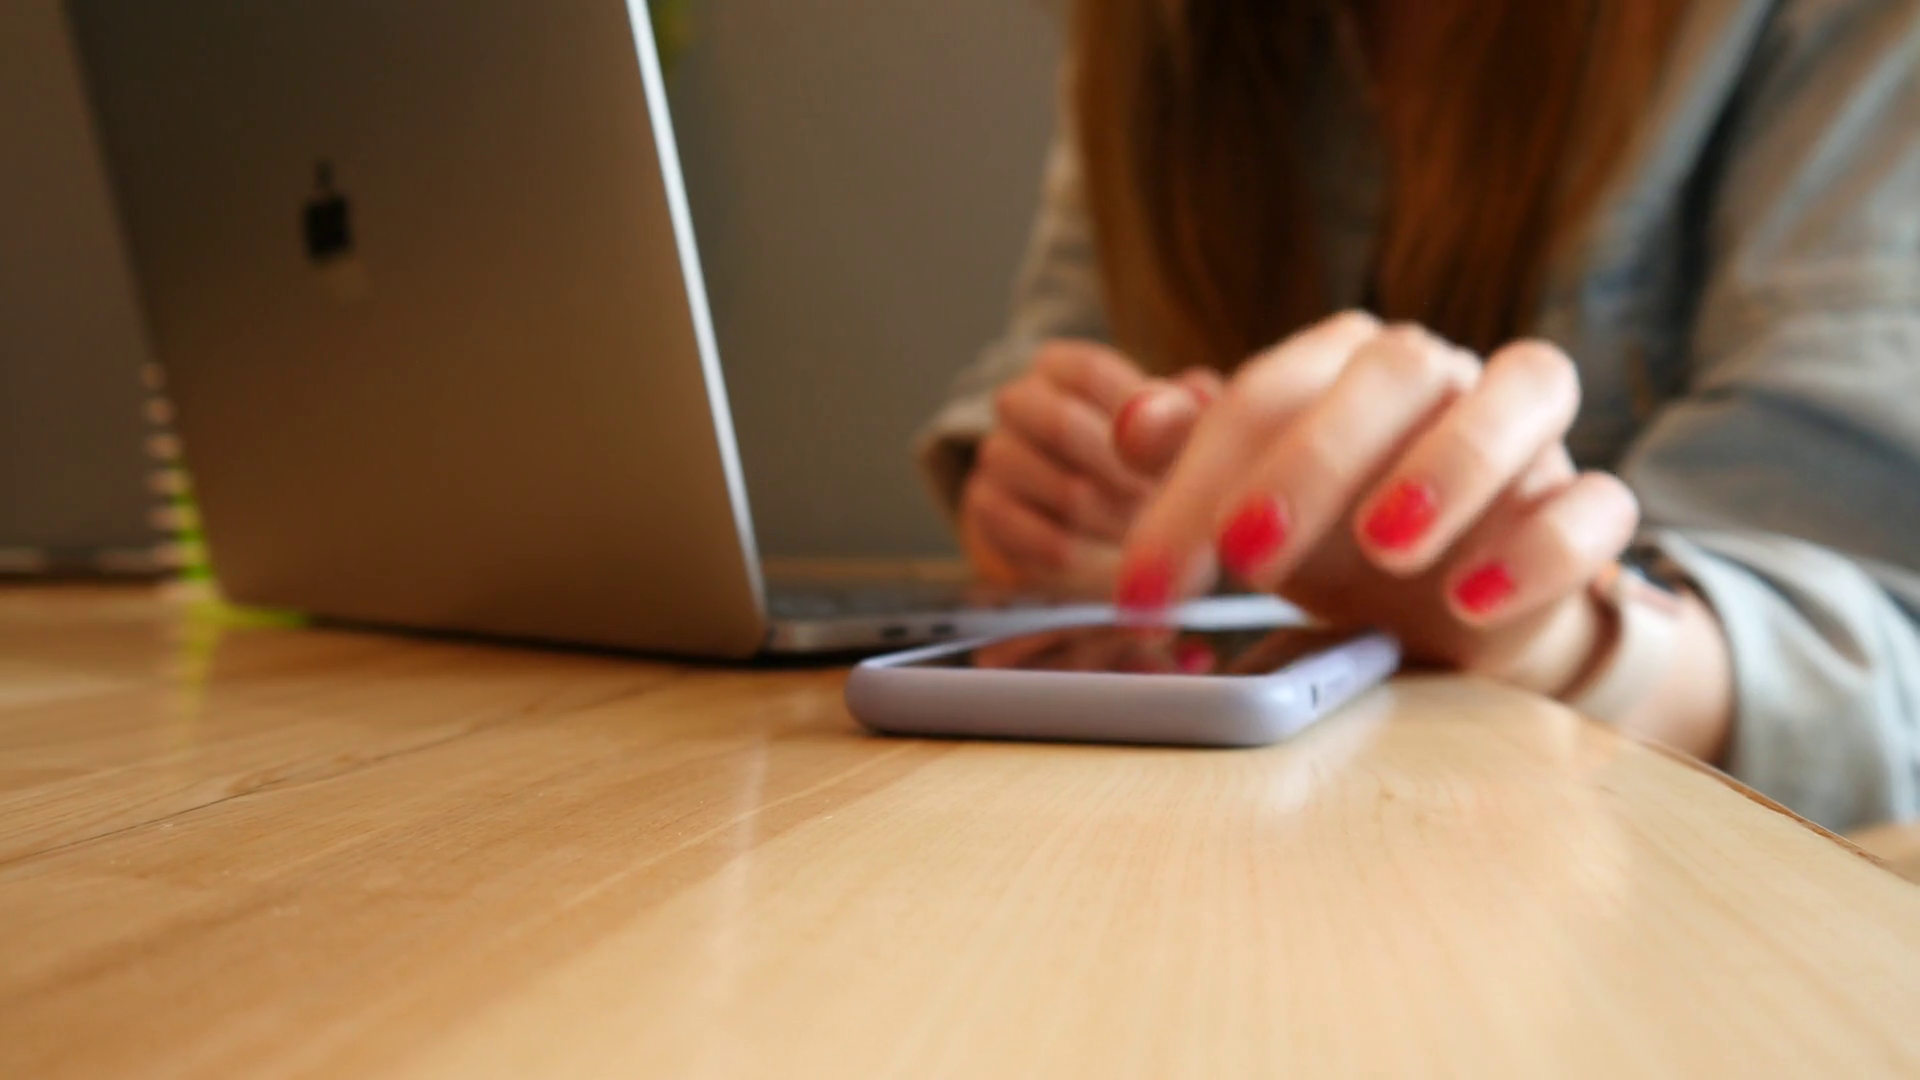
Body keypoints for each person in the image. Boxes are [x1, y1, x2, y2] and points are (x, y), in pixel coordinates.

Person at [916, 0, 1920, 831]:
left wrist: (1568, 637)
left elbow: (1885, 660)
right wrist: (1060, 490)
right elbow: (1065, 374)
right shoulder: (1162, 33)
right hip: (1209, 841)